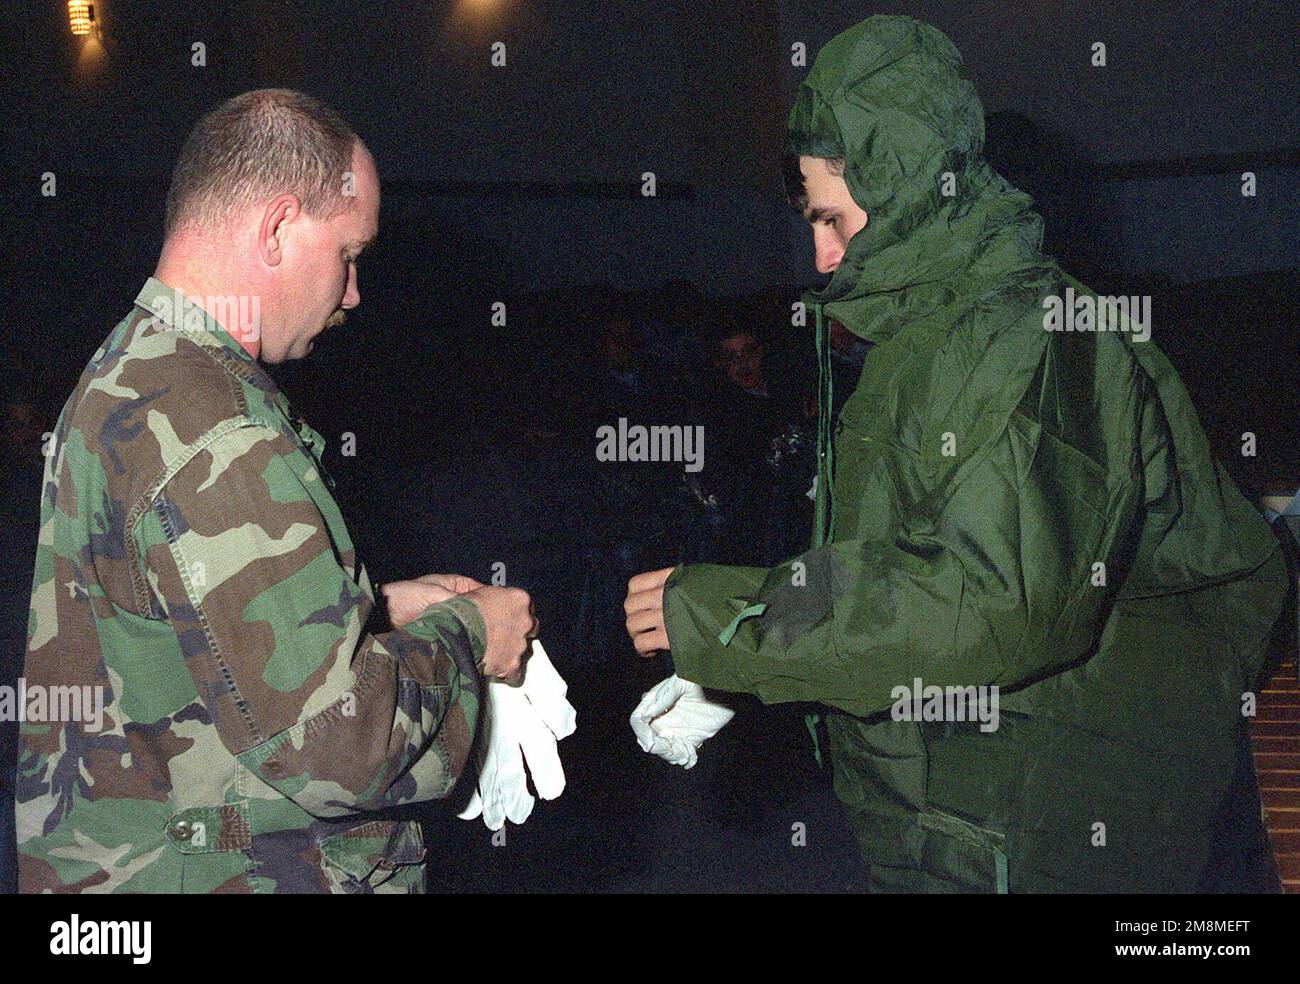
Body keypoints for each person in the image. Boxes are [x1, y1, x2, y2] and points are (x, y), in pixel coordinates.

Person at [623, 16, 1289, 892]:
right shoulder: (933, 339)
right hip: (977, 813)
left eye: (833, 218)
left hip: (1064, 825)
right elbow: (903, 567)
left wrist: (732, 622)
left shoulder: (1029, 335)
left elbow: (995, 600)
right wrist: (758, 661)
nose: (821, 257)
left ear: (902, 192)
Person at [15, 89, 535, 894]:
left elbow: (171, 638)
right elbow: (340, 748)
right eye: (349, 257)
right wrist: (472, 633)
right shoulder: (215, 428)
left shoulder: (133, 373)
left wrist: (371, 612)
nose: (353, 293)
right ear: (277, 228)